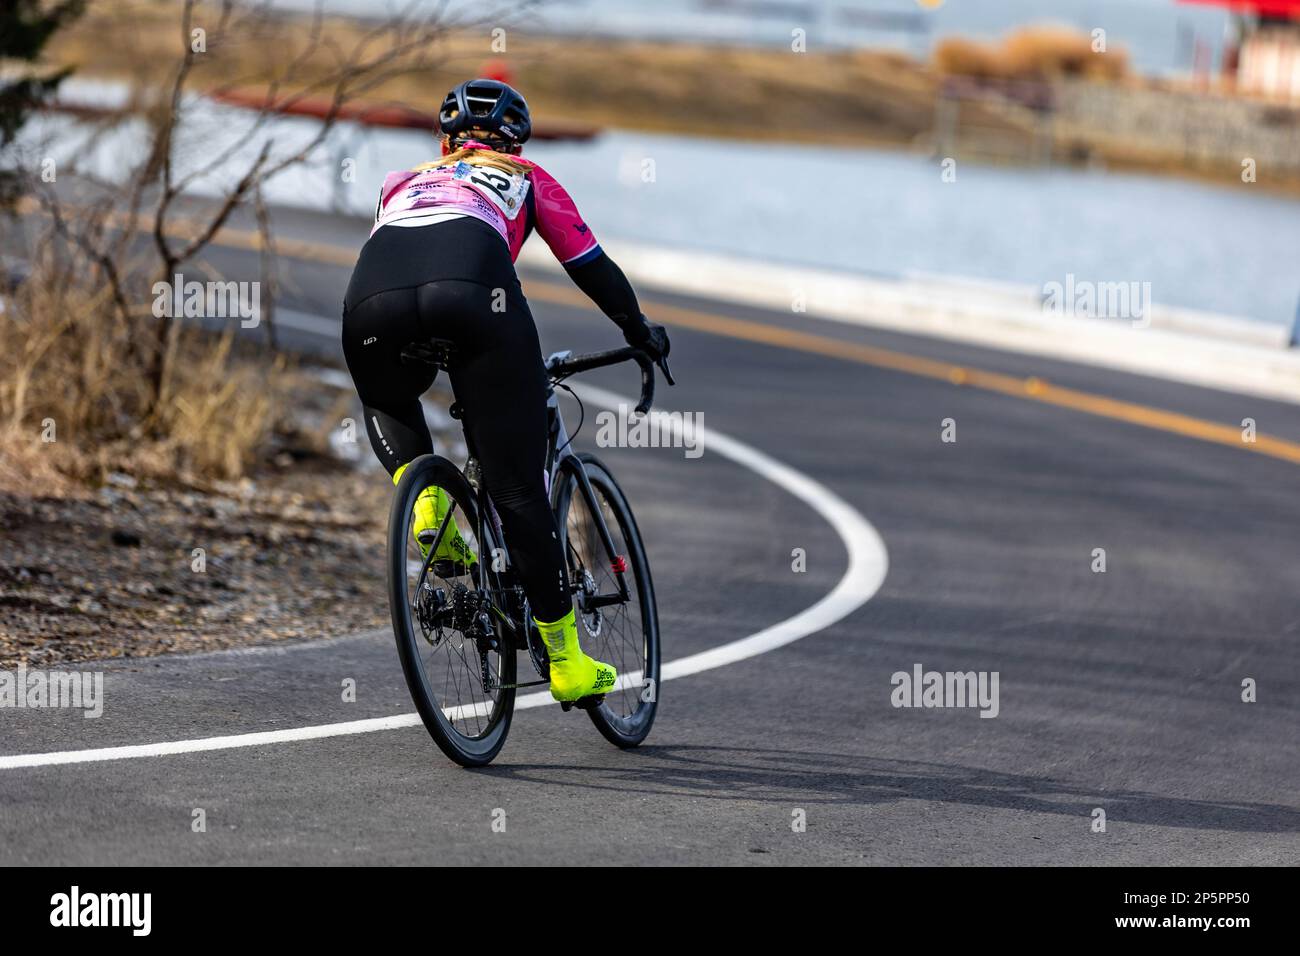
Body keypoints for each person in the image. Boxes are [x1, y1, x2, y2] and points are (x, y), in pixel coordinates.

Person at [341, 78, 669, 702]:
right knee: (518, 487)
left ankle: (429, 508)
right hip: (473, 298)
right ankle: (569, 663)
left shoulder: (399, 182)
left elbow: (408, 251)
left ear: (444, 140)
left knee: (387, 396)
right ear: (517, 140)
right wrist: (639, 329)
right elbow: (588, 264)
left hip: (369, 303)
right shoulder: (525, 176)